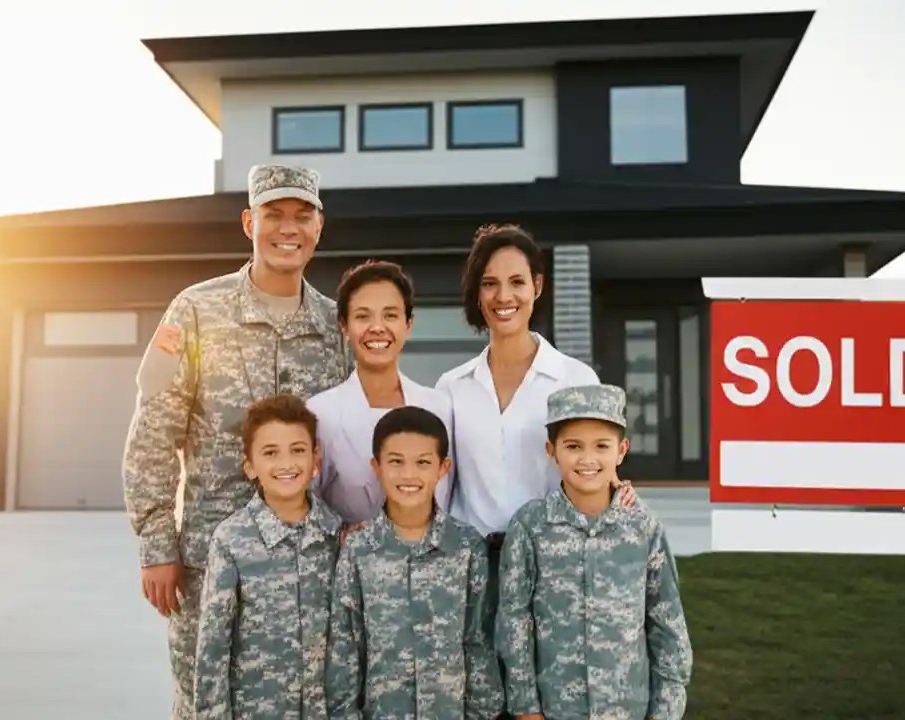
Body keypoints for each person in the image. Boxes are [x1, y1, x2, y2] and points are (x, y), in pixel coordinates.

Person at [122, 163, 350, 719]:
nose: (287, 229)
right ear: (249, 221)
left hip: (308, 565)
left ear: (320, 227)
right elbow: (155, 430)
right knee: (206, 701)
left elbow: (348, 441)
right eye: (274, 215)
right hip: (210, 560)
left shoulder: (335, 326)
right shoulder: (197, 311)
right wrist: (157, 545)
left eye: (302, 216)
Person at [435, 223, 637, 638]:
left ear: (537, 286)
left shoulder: (574, 378)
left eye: (516, 282)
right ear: (477, 292)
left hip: (551, 570)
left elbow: (597, 473)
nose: (503, 297)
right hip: (471, 574)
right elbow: (440, 488)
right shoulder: (452, 388)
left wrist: (621, 492)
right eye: (489, 283)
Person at [496, 384, 693, 720]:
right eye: (573, 446)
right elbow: (514, 622)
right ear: (551, 450)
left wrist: (666, 711)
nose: (587, 459)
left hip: (627, 708)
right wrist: (525, 707)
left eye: (601, 446)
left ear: (621, 450)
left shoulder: (642, 527)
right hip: (556, 708)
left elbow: (667, 625)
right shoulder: (531, 527)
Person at [325, 406, 503, 720]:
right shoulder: (359, 549)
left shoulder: (465, 546)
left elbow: (477, 640)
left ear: (443, 467)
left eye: (423, 463)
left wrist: (482, 712)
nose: (409, 475)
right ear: (376, 467)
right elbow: (346, 645)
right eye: (396, 462)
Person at [193, 394, 341, 720]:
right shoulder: (231, 541)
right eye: (270, 453)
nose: (286, 464)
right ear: (249, 465)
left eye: (298, 450)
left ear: (316, 459)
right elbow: (212, 651)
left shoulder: (336, 535)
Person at [307, 260, 452, 526]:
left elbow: (449, 502)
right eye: (363, 316)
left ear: (408, 324)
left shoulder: (439, 407)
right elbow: (304, 503)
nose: (377, 327)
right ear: (344, 325)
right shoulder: (321, 413)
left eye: (390, 315)